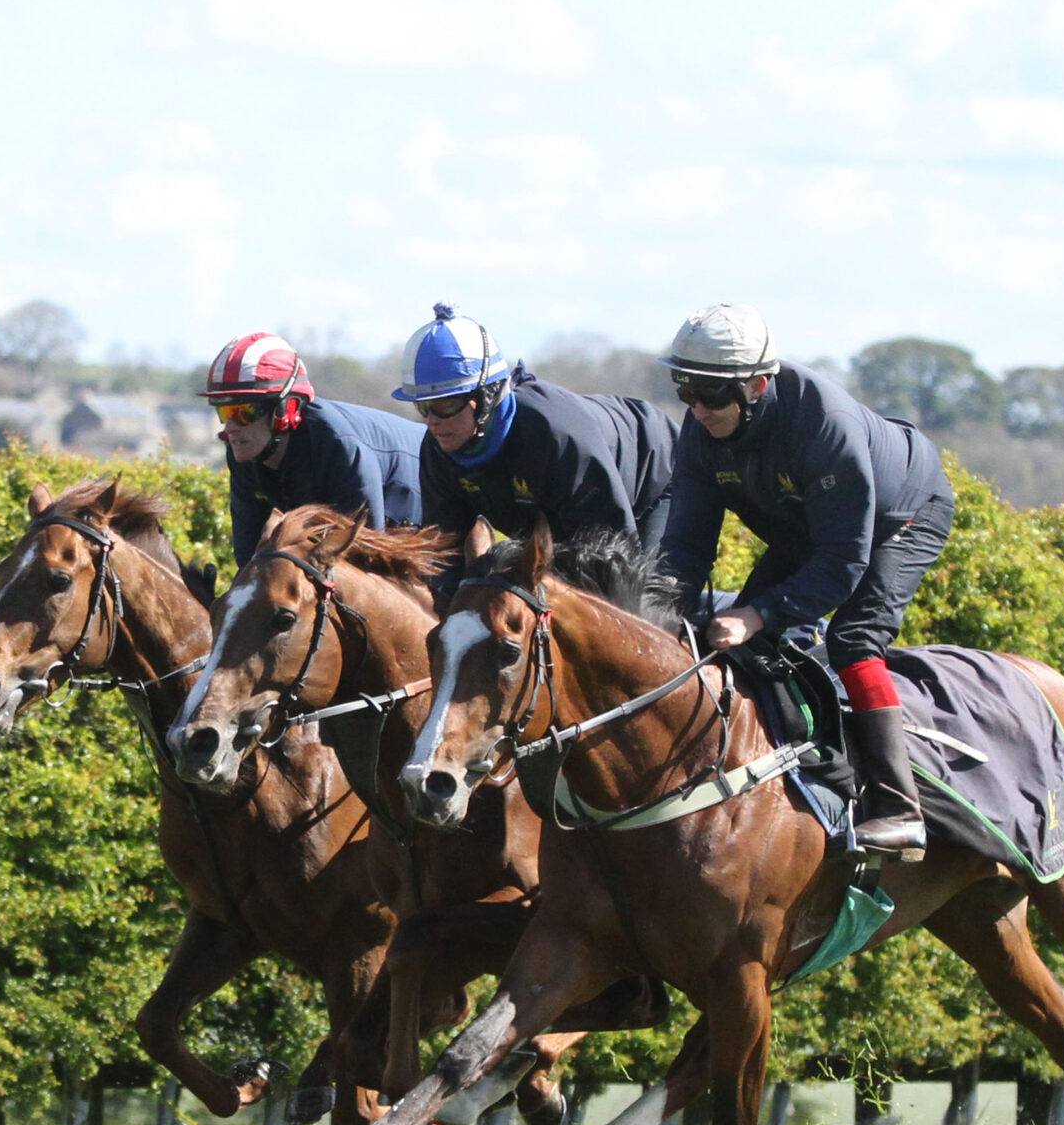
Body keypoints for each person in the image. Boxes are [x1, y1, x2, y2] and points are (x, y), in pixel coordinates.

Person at [656, 303, 955, 859]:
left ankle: (899, 809)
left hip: (902, 516)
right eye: (685, 390)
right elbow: (685, 550)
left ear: (758, 385)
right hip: (808, 525)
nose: (696, 409)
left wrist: (758, 613)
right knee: (744, 647)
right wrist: (653, 615)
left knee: (852, 640)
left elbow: (844, 561)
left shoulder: (822, 423)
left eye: (712, 394)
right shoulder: (700, 434)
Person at [392, 304, 677, 554]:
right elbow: (446, 559)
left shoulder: (555, 436)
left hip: (659, 480)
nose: (432, 421)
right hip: (571, 522)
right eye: (423, 406)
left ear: (486, 397)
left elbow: (613, 553)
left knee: (648, 597)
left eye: (445, 405)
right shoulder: (438, 448)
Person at [204, 332, 424, 562]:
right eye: (224, 412)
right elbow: (249, 560)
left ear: (285, 409)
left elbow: (365, 560)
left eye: (244, 412)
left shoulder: (340, 446)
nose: (230, 428)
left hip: (417, 493)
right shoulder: (242, 449)